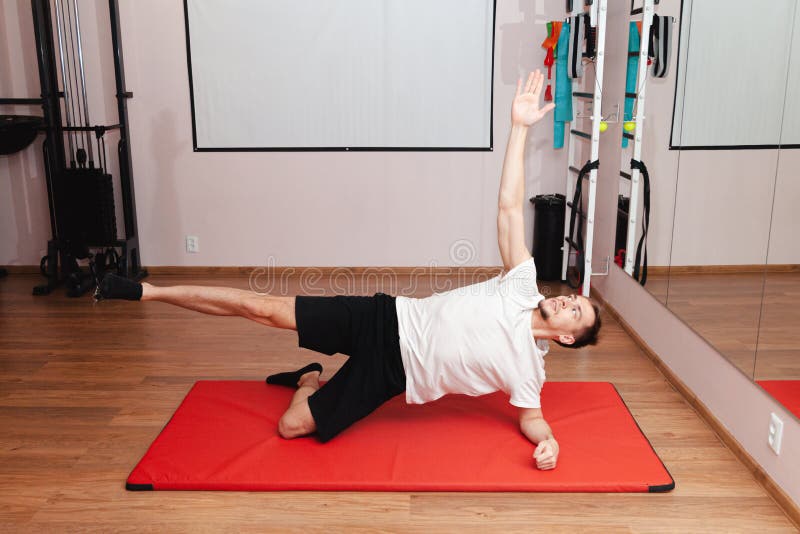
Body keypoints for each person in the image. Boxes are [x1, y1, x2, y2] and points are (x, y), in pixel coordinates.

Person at [96, 70, 601, 471]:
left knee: (291, 428)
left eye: (574, 310)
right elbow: (509, 208)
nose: (565, 300)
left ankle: (309, 379)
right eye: (572, 297)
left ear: (569, 339)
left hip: (392, 373)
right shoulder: (520, 286)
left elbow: (531, 417)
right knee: (262, 309)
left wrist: (549, 441)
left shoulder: (529, 370)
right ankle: (147, 291)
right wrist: (517, 129)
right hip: (385, 319)